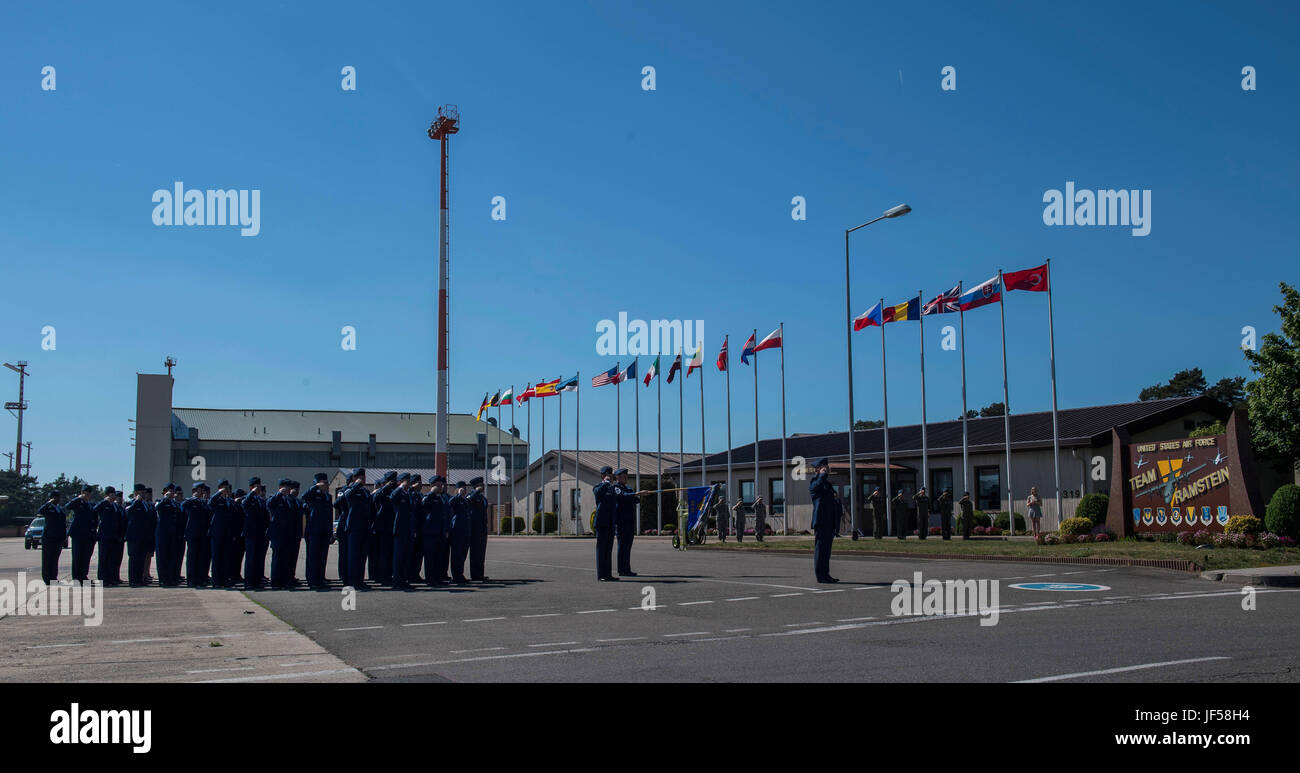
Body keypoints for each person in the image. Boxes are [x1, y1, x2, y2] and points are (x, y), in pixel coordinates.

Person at [613, 468, 648, 578]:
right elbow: (622, 496)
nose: (626, 478)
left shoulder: (628, 488)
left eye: (626, 476)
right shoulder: (616, 487)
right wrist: (636, 494)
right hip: (621, 521)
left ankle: (626, 569)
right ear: (617, 477)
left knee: (628, 547)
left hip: (629, 520)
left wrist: (638, 495)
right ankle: (621, 569)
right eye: (623, 476)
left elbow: (635, 500)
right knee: (622, 546)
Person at [302, 473, 335, 588]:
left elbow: (330, 515)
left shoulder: (328, 496)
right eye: (324, 483)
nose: (326, 485)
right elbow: (304, 496)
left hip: (324, 530)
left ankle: (321, 579)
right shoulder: (312, 494)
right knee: (313, 557)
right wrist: (316, 487)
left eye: (326, 483)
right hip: (313, 530)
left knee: (322, 557)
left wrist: (331, 532)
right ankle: (312, 580)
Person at [809, 458, 838, 583]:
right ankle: (820, 576)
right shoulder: (815, 482)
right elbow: (816, 488)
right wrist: (821, 475)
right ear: (817, 470)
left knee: (826, 551)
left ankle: (826, 574)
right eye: (823, 467)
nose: (826, 469)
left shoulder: (828, 485)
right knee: (820, 550)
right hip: (820, 521)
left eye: (826, 467)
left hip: (829, 521)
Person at [343, 469, 374, 588]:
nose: (363, 479)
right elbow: (347, 497)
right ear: (355, 478)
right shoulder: (350, 490)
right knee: (353, 556)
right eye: (360, 477)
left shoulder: (365, 492)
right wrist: (356, 484)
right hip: (353, 528)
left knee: (362, 557)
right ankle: (352, 582)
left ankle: (360, 581)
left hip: (365, 527)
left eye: (364, 477)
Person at [208, 480, 238, 587]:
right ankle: (216, 580)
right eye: (225, 488)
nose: (227, 490)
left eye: (228, 488)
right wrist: (219, 492)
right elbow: (210, 503)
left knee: (226, 558)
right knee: (216, 557)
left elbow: (234, 518)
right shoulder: (217, 499)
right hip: (217, 533)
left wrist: (234, 533)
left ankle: (224, 579)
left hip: (228, 533)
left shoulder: (229, 501)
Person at [423, 476, 452, 584]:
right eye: (439, 485)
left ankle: (438, 577)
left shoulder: (443, 498)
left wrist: (446, 530)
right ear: (433, 485)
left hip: (441, 531)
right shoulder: (428, 496)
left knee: (439, 557)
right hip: (430, 532)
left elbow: (446, 515)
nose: (441, 487)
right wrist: (431, 493)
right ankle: (430, 579)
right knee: (430, 557)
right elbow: (424, 505)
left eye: (442, 485)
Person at [390, 473, 416, 589]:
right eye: (406, 480)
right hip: (400, 529)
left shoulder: (408, 494)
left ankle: (404, 579)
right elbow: (392, 497)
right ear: (401, 481)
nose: (409, 482)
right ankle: (397, 581)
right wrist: (400, 487)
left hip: (408, 529)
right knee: (398, 557)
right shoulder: (398, 493)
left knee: (406, 557)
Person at [370, 471, 398, 584]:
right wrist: (385, 487)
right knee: (382, 554)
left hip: (392, 527)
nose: (393, 483)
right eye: (392, 480)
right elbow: (375, 498)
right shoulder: (382, 491)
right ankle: (381, 576)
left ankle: (388, 574)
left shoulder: (394, 492)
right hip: (381, 528)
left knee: (390, 554)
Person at [66, 485, 97, 584]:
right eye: (85, 493)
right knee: (77, 556)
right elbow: (68, 506)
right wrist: (78, 498)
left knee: (86, 556)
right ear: (82, 492)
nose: (87, 495)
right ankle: (76, 578)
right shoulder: (78, 502)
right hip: (78, 534)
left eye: (89, 493)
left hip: (88, 534)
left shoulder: (90, 504)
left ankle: (83, 576)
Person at [94, 487, 125, 585]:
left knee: (112, 559)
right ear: (106, 495)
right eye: (111, 495)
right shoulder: (103, 504)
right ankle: (103, 579)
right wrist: (104, 501)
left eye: (114, 495)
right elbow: (95, 509)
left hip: (114, 536)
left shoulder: (114, 506)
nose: (113, 497)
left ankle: (111, 578)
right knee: (104, 558)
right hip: (104, 536)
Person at [592, 467, 618, 581]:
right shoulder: (598, 486)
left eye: (611, 475)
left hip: (610, 522)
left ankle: (608, 574)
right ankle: (601, 575)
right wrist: (606, 483)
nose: (610, 476)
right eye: (608, 475)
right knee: (601, 549)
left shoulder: (612, 488)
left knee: (608, 549)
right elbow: (597, 494)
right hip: (602, 522)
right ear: (602, 476)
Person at [183, 483, 212, 587]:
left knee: (201, 558)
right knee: (192, 558)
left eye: (203, 490)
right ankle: (191, 580)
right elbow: (183, 506)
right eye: (200, 489)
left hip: (203, 534)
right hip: (193, 533)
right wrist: (194, 497)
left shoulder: (203, 503)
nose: (202, 492)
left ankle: (199, 579)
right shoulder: (190, 501)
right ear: (195, 490)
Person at [242, 479, 269, 588]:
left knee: (258, 558)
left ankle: (257, 580)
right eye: (256, 486)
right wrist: (252, 492)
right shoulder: (248, 499)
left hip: (260, 533)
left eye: (259, 486)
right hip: (251, 533)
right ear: (251, 487)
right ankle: (249, 581)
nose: (259, 489)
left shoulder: (261, 500)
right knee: (251, 558)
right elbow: (245, 504)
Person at [125, 484, 154, 586]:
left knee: (141, 559)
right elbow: (128, 512)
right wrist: (136, 501)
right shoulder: (131, 503)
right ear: (136, 493)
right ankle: (133, 580)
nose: (144, 494)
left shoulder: (144, 504)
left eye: (144, 492)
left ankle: (139, 579)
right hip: (134, 536)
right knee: (134, 559)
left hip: (144, 536)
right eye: (141, 492)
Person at [154, 484, 182, 586]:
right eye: (170, 491)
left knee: (171, 556)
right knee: (162, 556)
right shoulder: (160, 501)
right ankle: (163, 579)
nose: (172, 493)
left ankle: (170, 578)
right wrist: (165, 498)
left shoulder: (174, 504)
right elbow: (157, 508)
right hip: (162, 533)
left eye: (173, 491)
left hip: (173, 533)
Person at [37, 491, 66, 584]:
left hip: (58, 537)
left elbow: (63, 523)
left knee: (54, 559)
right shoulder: (48, 508)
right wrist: (48, 503)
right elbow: (40, 511)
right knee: (47, 559)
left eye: (58, 497)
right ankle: (47, 579)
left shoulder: (59, 509)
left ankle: (53, 578)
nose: (58, 499)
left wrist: (64, 536)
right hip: (48, 537)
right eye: (56, 497)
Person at [467, 476, 491, 581]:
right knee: (475, 552)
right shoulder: (471, 495)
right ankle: (475, 574)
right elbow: (468, 501)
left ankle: (480, 573)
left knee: (481, 553)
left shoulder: (482, 498)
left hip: (482, 529)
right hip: (474, 529)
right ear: (476, 486)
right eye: (481, 484)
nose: (483, 486)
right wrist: (475, 492)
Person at [448, 481, 471, 584]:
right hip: (457, 530)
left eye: (464, 489)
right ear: (457, 489)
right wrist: (458, 495)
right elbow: (450, 504)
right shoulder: (455, 499)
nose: (463, 490)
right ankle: (455, 576)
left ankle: (460, 574)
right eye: (461, 488)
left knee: (463, 554)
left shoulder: (465, 501)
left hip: (465, 531)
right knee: (456, 554)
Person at [409, 474, 425, 583]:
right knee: (412, 553)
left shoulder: (420, 495)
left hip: (421, 527)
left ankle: (415, 573)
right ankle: (409, 574)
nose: (421, 485)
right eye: (418, 482)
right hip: (413, 527)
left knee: (419, 553)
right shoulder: (410, 494)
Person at [229, 488, 246, 585]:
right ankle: (231, 575)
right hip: (234, 535)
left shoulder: (242, 506)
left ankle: (236, 574)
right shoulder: (233, 505)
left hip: (241, 535)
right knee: (233, 557)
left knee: (239, 557)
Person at [143, 488, 157, 583]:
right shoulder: (141, 504)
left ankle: (147, 573)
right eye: (148, 494)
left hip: (151, 533)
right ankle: (143, 574)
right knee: (144, 556)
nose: (149, 496)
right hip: (144, 533)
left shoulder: (151, 505)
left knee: (149, 555)